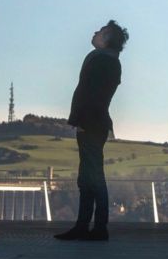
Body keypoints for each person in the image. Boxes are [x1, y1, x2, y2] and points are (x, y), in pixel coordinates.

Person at [54, 20, 129, 242]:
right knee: (88, 176)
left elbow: (90, 93)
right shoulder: (109, 61)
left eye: (101, 31)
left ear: (108, 39)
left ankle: (95, 227)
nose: (95, 32)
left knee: (92, 176)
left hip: (92, 122)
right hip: (96, 122)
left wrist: (80, 119)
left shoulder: (101, 60)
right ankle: (88, 226)